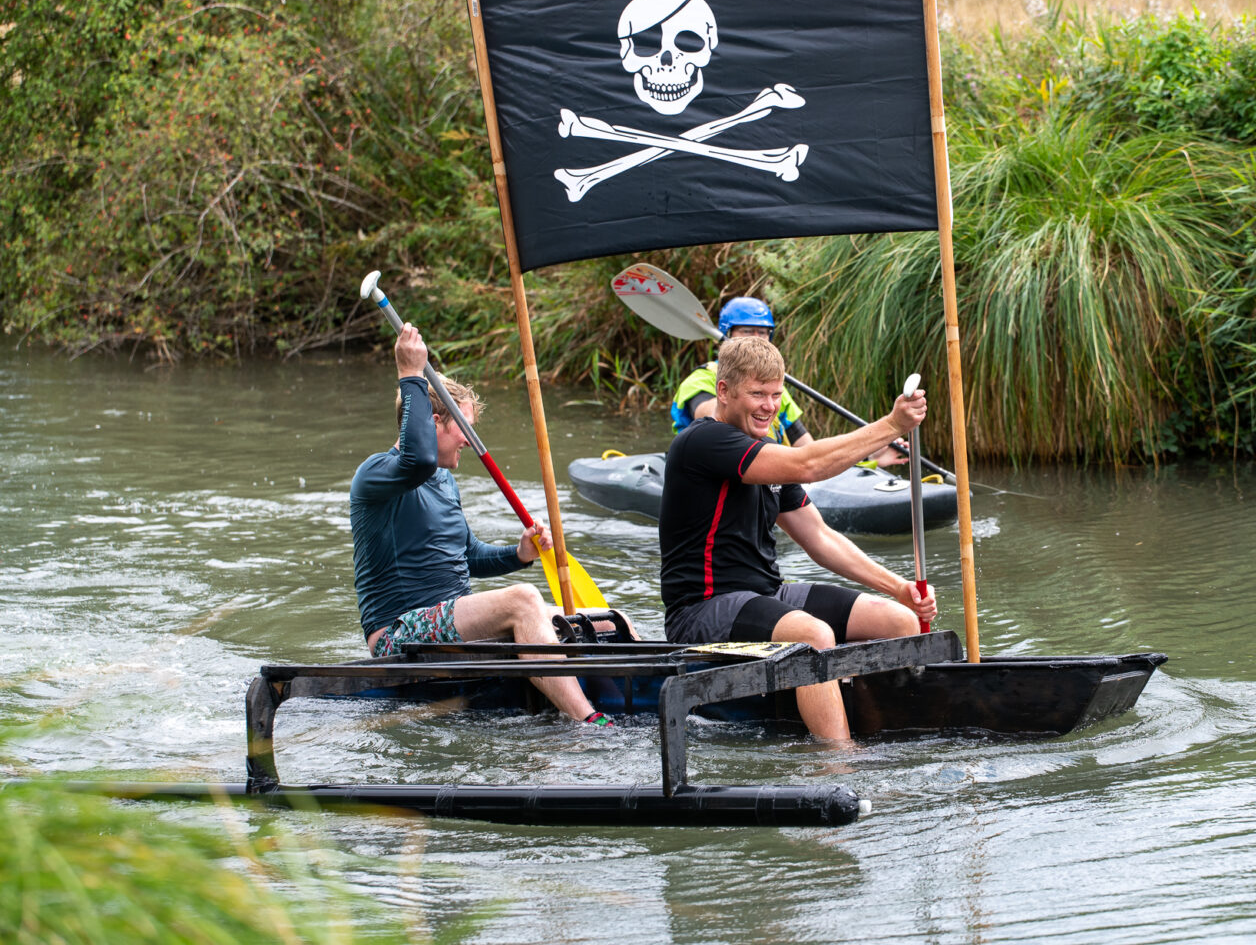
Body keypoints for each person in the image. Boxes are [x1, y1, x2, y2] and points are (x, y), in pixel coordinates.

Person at [658, 335, 936, 742]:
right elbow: (808, 464)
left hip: (767, 595)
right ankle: (839, 764)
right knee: (813, 634)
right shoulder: (701, 442)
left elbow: (820, 537)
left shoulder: (768, 450)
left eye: (775, 394)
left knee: (901, 621)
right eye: (757, 394)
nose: (769, 406)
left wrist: (899, 587)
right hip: (700, 610)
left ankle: (889, 728)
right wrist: (892, 425)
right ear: (723, 391)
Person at [350, 323, 610, 726]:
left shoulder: (444, 481)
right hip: (397, 634)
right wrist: (410, 375)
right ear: (434, 422)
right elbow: (416, 459)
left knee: (607, 618)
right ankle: (588, 724)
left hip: (449, 621)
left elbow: (469, 556)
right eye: (464, 428)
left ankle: (634, 692)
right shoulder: (376, 475)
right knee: (524, 600)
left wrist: (519, 553)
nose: (470, 440)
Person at [671, 296, 907, 466]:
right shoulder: (702, 379)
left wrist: (868, 456)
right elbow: (712, 419)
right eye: (747, 331)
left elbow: (808, 450)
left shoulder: (775, 392)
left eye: (762, 333)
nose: (758, 339)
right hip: (730, 464)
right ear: (726, 336)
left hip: (782, 470)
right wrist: (890, 425)